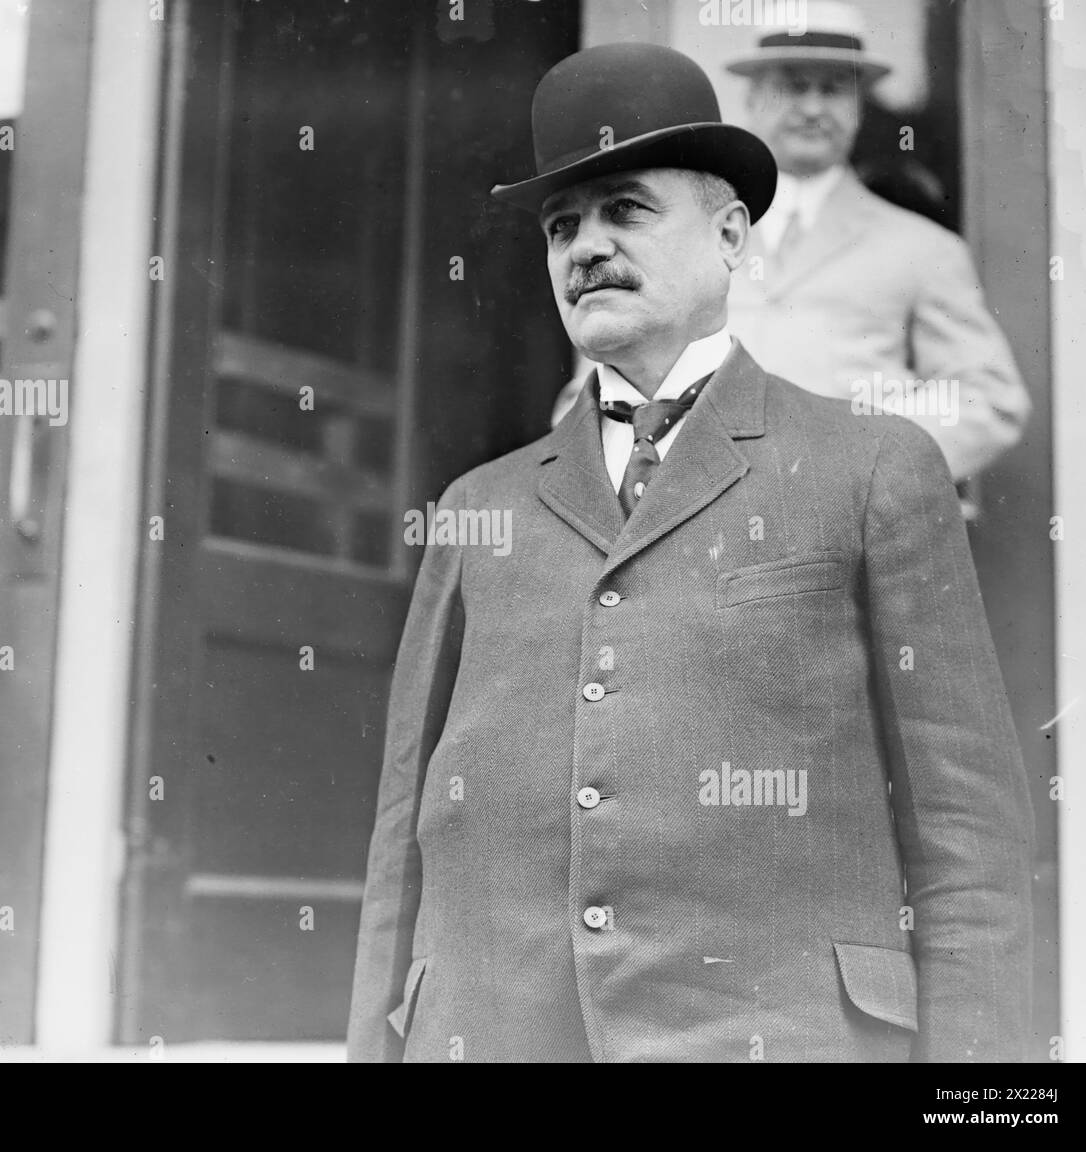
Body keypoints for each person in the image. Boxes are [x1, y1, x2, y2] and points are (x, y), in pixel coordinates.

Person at [348, 42, 1034, 1063]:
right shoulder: (476, 507)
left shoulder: (874, 470)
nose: (584, 247)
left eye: (623, 210)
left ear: (727, 238)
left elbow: (966, 840)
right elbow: (403, 832)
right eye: (560, 227)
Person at [552, 3, 1030, 486]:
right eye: (794, 86)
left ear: (859, 107)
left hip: (845, 531)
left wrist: (864, 465)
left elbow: (987, 400)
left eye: (834, 89)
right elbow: (593, 391)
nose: (813, 108)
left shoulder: (923, 247)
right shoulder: (681, 236)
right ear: (755, 98)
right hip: (699, 523)